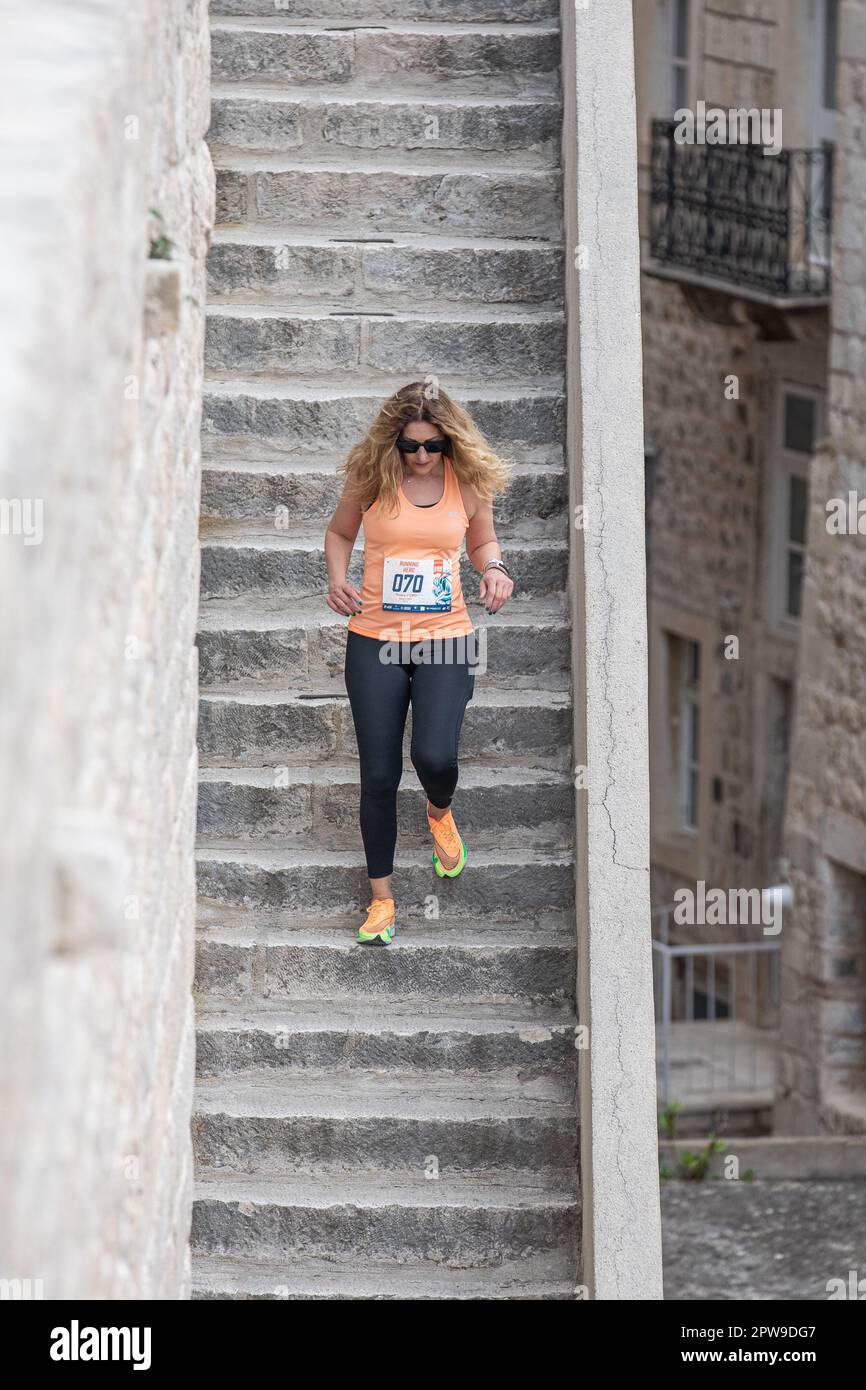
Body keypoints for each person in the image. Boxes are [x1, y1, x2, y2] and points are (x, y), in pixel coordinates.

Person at [324, 382, 514, 944]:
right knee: (379, 775)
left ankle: (439, 810)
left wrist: (495, 570)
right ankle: (382, 899)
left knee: (434, 755)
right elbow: (339, 533)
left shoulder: (469, 483)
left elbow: (482, 542)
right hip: (376, 637)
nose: (423, 457)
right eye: (411, 446)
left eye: (435, 446)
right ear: (395, 443)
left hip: (446, 638)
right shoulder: (372, 479)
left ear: (451, 443)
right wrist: (339, 578)